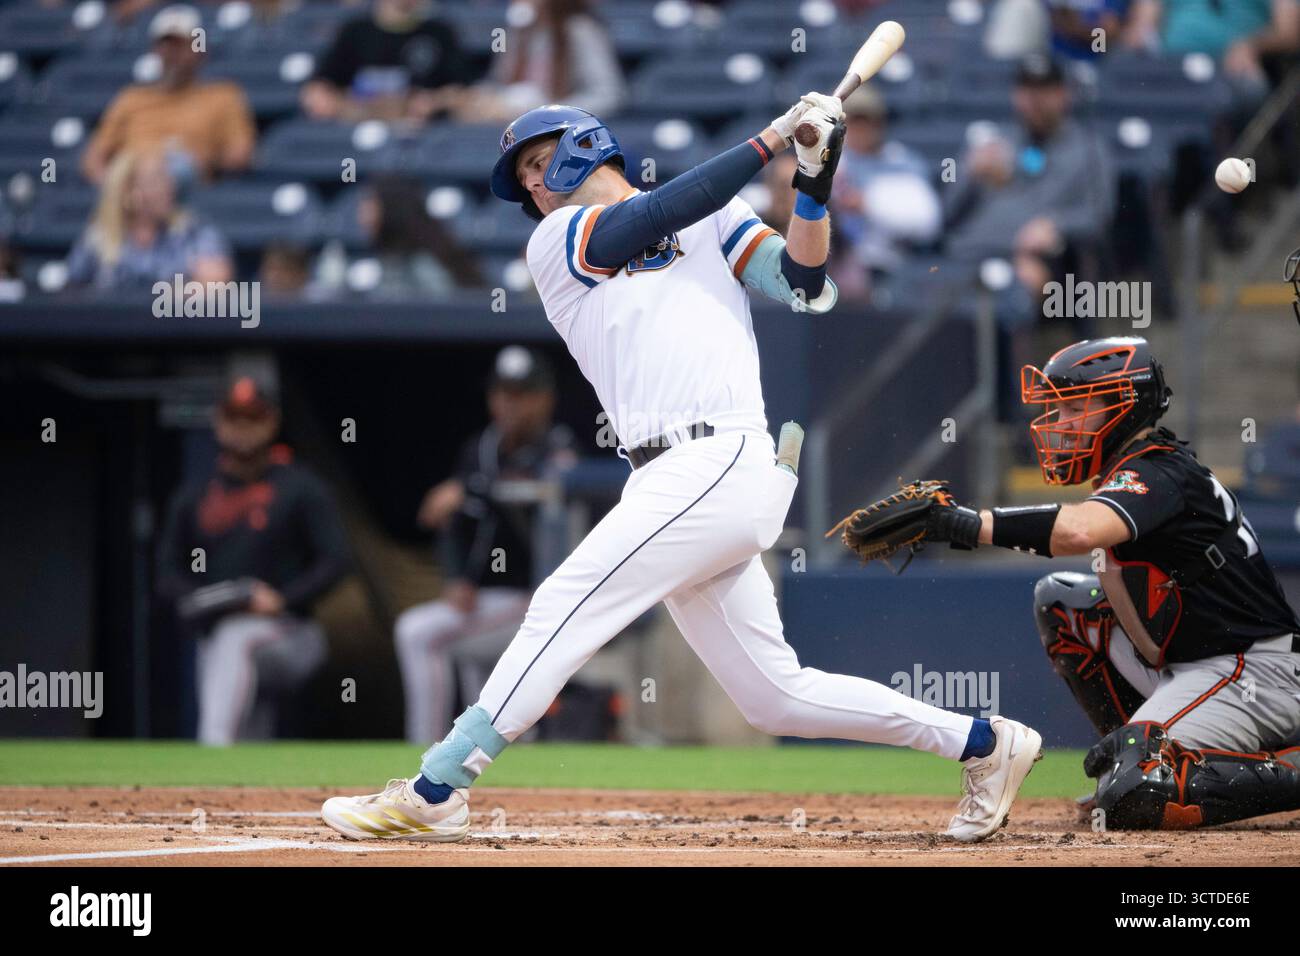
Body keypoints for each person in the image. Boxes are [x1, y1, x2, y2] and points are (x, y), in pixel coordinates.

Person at [321, 99, 1043, 844]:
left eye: (539, 164)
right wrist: (770, 142)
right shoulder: (556, 240)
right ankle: (986, 745)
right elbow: (650, 216)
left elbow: (803, 281)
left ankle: (438, 787)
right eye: (525, 178)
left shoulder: (715, 216)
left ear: (582, 145)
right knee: (775, 698)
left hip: (717, 457)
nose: (534, 185)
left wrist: (815, 179)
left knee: (566, 604)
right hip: (672, 476)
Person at [849, 336, 1300, 829]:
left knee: (1136, 792)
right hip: (1196, 665)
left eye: (1074, 408)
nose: (1058, 425)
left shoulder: (1159, 469)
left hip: (1255, 671)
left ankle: (1154, 768)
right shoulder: (1133, 470)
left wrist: (961, 524)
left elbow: (1078, 530)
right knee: (1062, 601)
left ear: (1125, 406)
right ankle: (1129, 756)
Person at [156, 374, 351, 745]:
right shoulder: (194, 494)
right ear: (219, 421)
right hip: (219, 629)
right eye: (234, 417)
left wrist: (283, 598)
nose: (243, 428)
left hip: (292, 631)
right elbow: (167, 574)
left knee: (234, 638)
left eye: (253, 418)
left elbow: (336, 560)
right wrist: (208, 600)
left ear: (272, 421)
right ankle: (240, 784)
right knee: (227, 650)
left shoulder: (299, 487)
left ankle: (212, 754)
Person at [395, 346, 576, 744]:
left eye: (521, 394)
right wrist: (456, 578)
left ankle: (425, 747)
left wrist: (471, 488)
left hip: (535, 597)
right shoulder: (479, 449)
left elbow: (534, 492)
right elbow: (452, 524)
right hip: (483, 599)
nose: (508, 404)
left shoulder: (559, 448)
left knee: (419, 633)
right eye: (502, 393)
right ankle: (501, 756)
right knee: (478, 672)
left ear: (544, 399)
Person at [944, 55, 1114, 305]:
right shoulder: (994, 140)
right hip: (968, 252)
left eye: (1044, 90)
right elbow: (946, 212)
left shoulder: (1089, 148)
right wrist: (969, 172)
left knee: (1019, 289)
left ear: (1063, 94)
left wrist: (1057, 224)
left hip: (1030, 259)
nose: (1035, 99)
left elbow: (1099, 214)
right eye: (1027, 89)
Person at [81, 5, 256, 185]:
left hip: (192, 191)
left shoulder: (223, 96)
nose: (171, 53)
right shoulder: (131, 98)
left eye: (181, 45)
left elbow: (241, 154)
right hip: (133, 188)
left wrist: (203, 163)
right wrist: (116, 191)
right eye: (165, 45)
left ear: (199, 49)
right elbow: (93, 159)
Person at [829, 85, 941, 297]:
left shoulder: (901, 162)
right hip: (832, 265)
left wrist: (868, 203)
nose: (860, 129)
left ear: (879, 123)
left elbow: (927, 220)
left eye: (866, 121)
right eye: (853, 121)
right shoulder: (828, 161)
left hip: (888, 268)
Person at [66, 149, 233, 290]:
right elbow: (72, 293)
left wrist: (156, 303)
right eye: (156, 180)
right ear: (129, 192)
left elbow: (215, 283)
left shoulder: (193, 231)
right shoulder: (98, 238)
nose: (169, 187)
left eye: (168, 179)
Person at [455, 0, 626, 123]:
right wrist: (476, 98)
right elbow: (499, 84)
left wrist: (549, 112)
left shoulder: (580, 31)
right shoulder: (515, 33)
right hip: (511, 129)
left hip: (561, 131)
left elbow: (609, 95)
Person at [301, 0, 466, 123]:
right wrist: (352, 107)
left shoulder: (439, 32)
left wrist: (432, 102)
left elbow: (464, 92)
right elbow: (318, 91)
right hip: (359, 130)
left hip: (420, 135)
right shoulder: (355, 31)